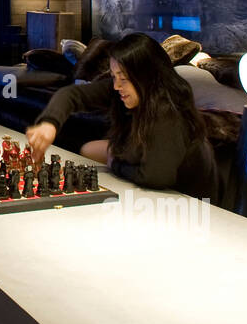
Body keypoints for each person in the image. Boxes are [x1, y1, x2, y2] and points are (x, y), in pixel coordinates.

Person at [25, 32, 224, 201]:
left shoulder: (168, 109)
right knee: (88, 148)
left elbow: (155, 178)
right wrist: (49, 124)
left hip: (189, 201)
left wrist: (116, 164)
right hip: (149, 157)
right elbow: (71, 95)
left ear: (145, 75)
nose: (116, 86)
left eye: (123, 77)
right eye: (114, 76)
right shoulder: (127, 89)